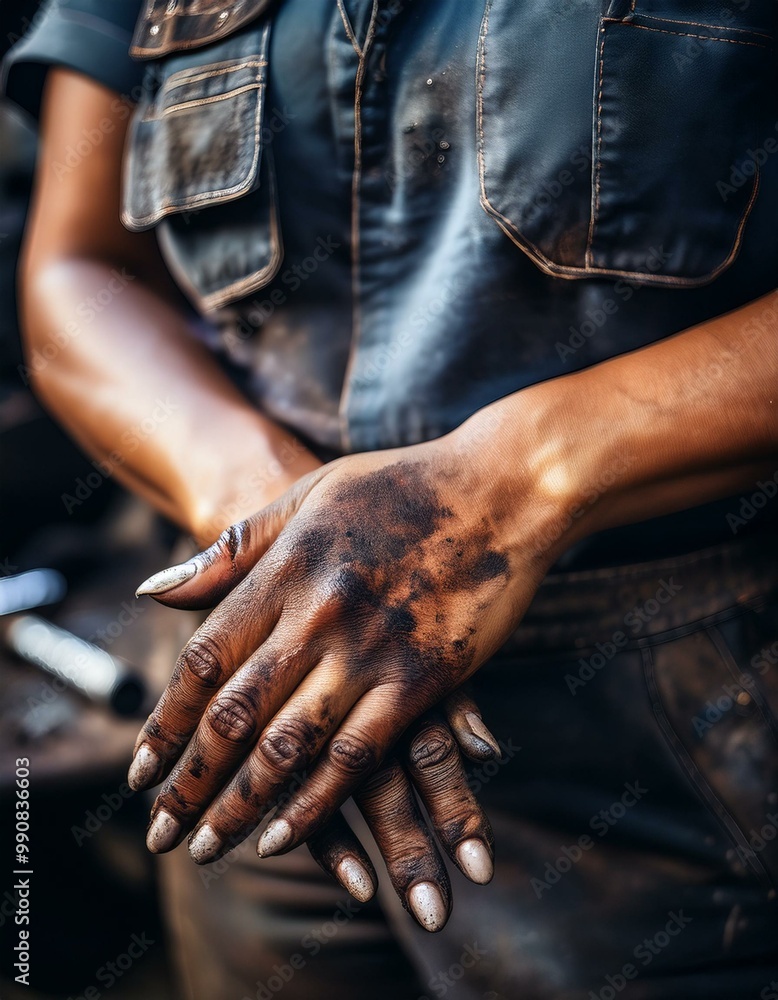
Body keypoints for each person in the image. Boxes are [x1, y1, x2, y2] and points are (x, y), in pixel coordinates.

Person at [4, 0, 778, 997]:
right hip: (262, 705)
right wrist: (283, 527)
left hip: (683, 744)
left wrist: (511, 480)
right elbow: (79, 271)